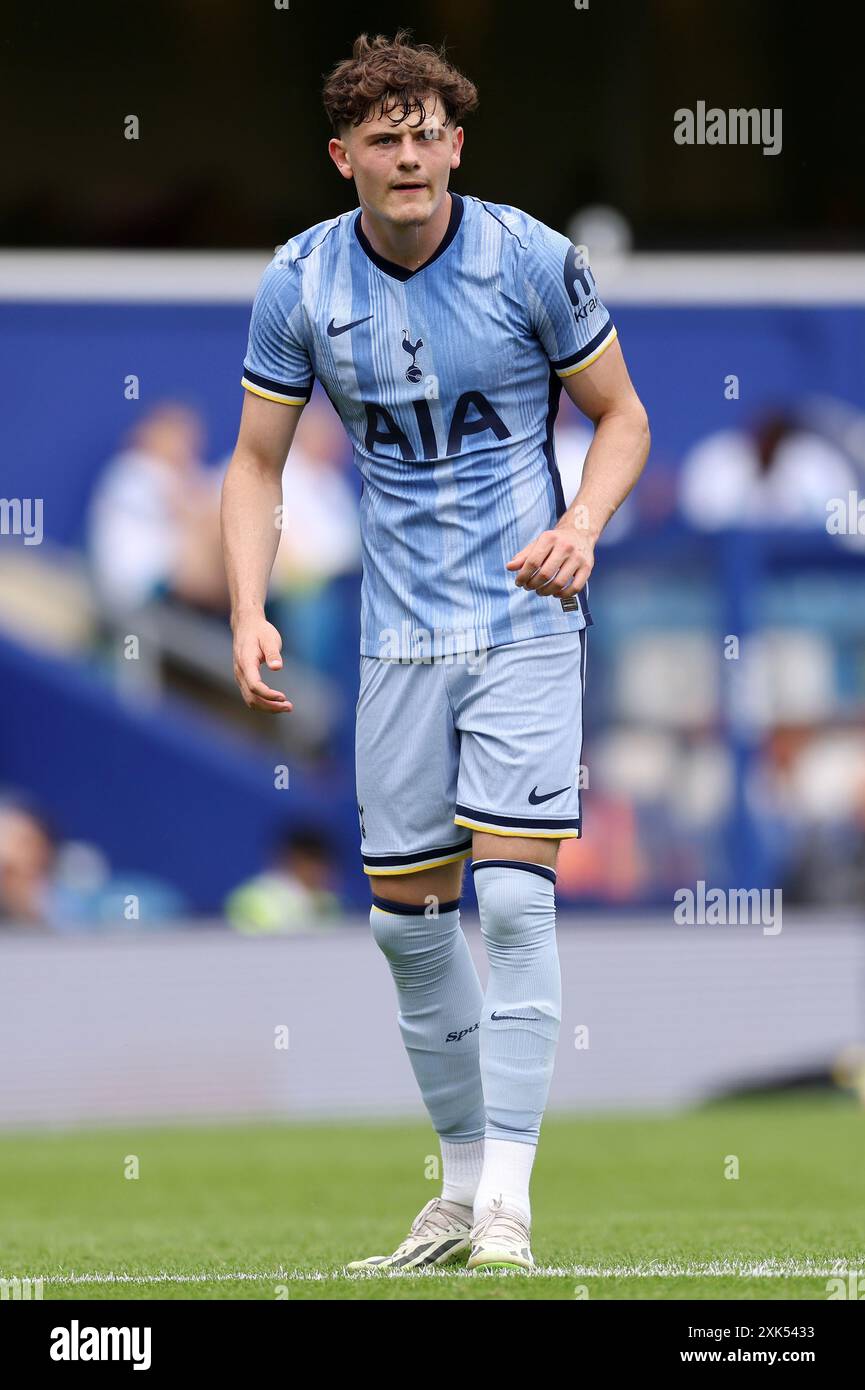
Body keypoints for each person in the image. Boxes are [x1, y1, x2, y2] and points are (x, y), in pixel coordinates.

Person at [220, 30, 649, 1272]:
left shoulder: (530, 260)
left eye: (428, 135)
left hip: (521, 619)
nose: (409, 156)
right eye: (384, 138)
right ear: (343, 155)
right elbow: (254, 466)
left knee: (514, 899)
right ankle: (458, 1190)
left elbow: (621, 417)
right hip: (398, 640)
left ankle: (510, 1197)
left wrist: (579, 523)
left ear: (456, 146)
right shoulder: (299, 283)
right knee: (408, 927)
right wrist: (250, 605)